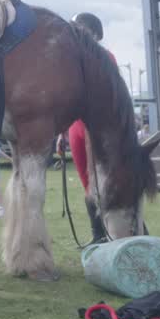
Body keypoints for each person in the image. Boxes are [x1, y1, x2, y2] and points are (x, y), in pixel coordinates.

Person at [63, 12, 112, 243]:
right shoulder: (72, 59)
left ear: (94, 33)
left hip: (98, 125)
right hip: (76, 126)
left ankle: (128, 226)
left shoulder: (105, 57)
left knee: (104, 178)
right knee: (86, 180)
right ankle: (97, 234)